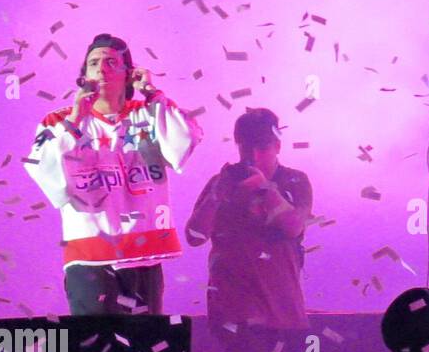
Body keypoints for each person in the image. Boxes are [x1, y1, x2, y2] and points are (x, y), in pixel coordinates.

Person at [25, 33, 202, 316]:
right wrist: (76, 119)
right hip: (90, 257)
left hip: (144, 254)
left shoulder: (148, 112)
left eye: (111, 62)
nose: (102, 68)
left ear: (129, 74)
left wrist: (152, 93)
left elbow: (183, 141)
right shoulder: (58, 121)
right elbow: (44, 171)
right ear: (83, 76)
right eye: (94, 63)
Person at [186, 107, 312, 336]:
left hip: (282, 310)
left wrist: (266, 189)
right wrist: (215, 197)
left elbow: (293, 226)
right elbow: (194, 237)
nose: (253, 156)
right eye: (246, 148)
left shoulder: (294, 180)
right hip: (233, 312)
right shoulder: (222, 182)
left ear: (277, 146)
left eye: (262, 147)